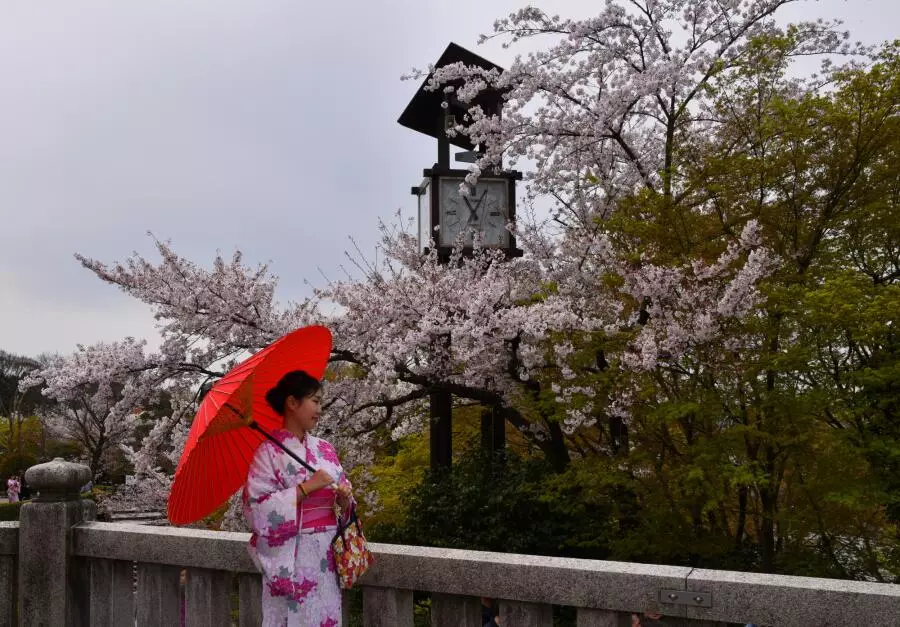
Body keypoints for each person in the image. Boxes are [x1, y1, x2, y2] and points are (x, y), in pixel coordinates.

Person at [243, 369, 354, 627]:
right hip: (291, 556)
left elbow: (343, 493)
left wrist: (345, 499)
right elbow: (256, 509)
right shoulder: (267, 453)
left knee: (325, 617)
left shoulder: (325, 449)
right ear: (292, 403)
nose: (320, 409)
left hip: (326, 553)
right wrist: (306, 488)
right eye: (315, 401)